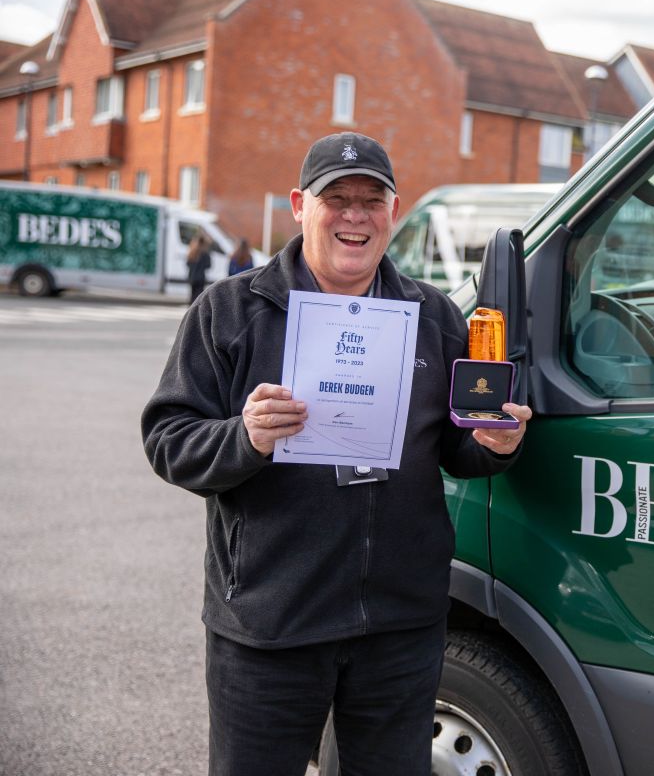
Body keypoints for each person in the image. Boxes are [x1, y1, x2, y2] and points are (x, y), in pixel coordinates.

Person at [141, 131, 532, 776]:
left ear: (393, 210)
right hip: (272, 622)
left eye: (370, 200)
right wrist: (247, 436)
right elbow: (168, 438)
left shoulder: (432, 315)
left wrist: (498, 443)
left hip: (399, 624)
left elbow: (461, 445)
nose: (354, 215)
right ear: (300, 204)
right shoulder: (232, 312)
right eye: (336, 198)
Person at [186, 233, 212, 304]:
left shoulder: (192, 252)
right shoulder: (205, 253)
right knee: (199, 296)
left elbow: (188, 264)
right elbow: (208, 265)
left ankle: (191, 309)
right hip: (200, 278)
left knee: (192, 294)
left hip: (192, 277)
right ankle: (196, 311)